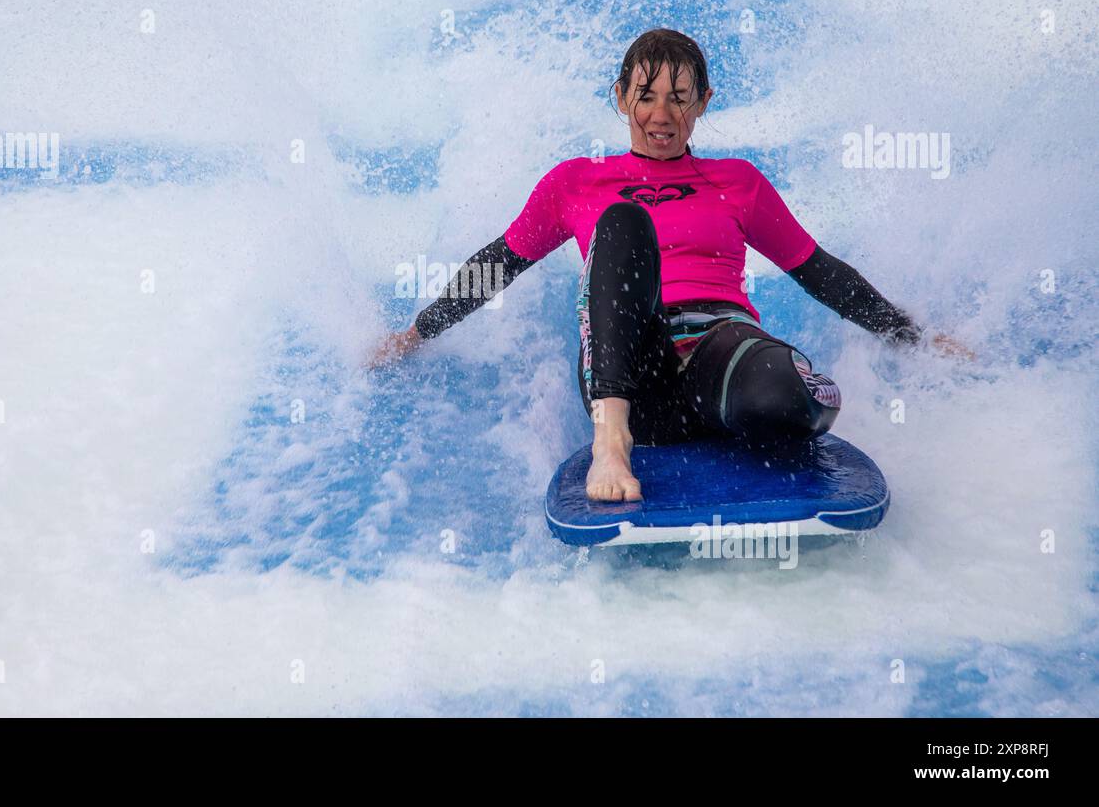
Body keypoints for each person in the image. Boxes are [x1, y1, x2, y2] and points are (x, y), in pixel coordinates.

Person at [368, 29, 975, 502]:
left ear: (703, 103)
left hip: (719, 359)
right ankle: (612, 444)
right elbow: (499, 262)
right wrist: (417, 332)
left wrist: (913, 336)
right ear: (620, 98)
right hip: (633, 379)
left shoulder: (737, 182)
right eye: (646, 96)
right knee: (623, 223)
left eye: (679, 99)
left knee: (798, 400)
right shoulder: (577, 182)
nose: (661, 115)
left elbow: (817, 269)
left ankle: (756, 406)